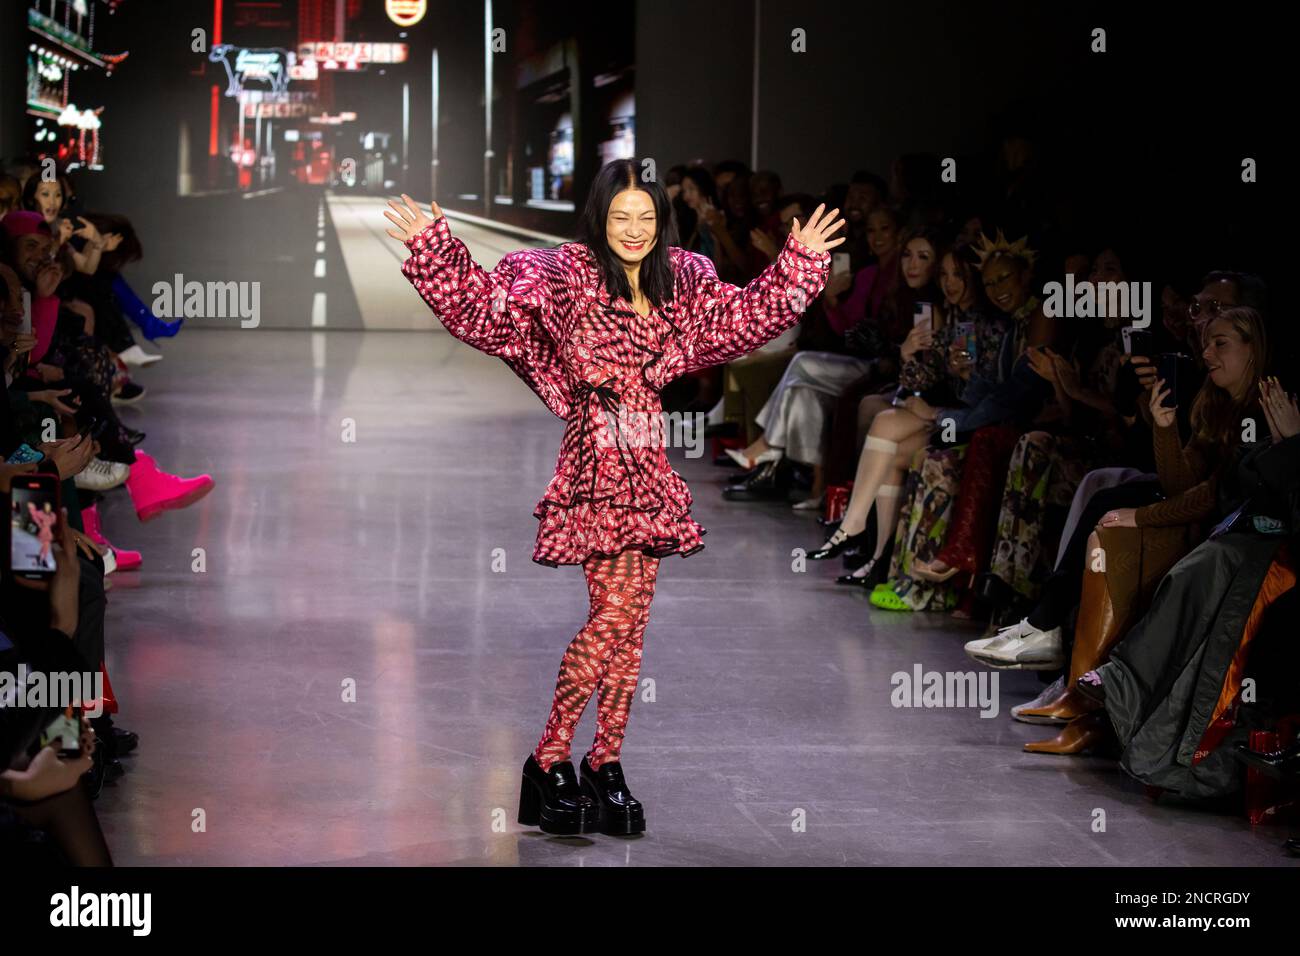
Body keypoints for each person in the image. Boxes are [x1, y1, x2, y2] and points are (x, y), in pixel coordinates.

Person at [386, 159, 843, 835]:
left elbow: (743, 319)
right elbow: (485, 314)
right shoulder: (561, 278)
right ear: (601, 217)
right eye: (622, 216)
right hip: (596, 455)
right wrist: (435, 247)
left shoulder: (682, 280)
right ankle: (548, 760)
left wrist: (799, 262)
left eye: (647, 218)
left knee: (629, 628)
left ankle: (604, 763)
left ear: (662, 224)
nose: (634, 230)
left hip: (646, 454)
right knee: (615, 617)